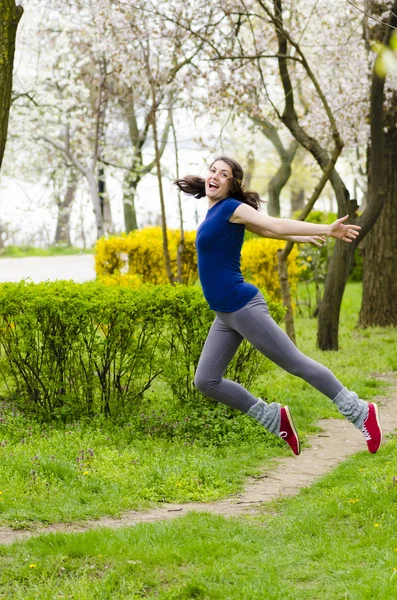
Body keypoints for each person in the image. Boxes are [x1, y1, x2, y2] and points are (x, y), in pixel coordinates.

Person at [175, 156, 382, 456]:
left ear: (233, 184)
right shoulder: (215, 213)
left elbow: (272, 222)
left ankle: (360, 410)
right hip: (224, 314)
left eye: (224, 174)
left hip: (242, 306)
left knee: (296, 363)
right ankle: (272, 417)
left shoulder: (233, 208)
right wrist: (303, 236)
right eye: (213, 171)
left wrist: (325, 229)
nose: (215, 177)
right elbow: (270, 232)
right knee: (206, 380)